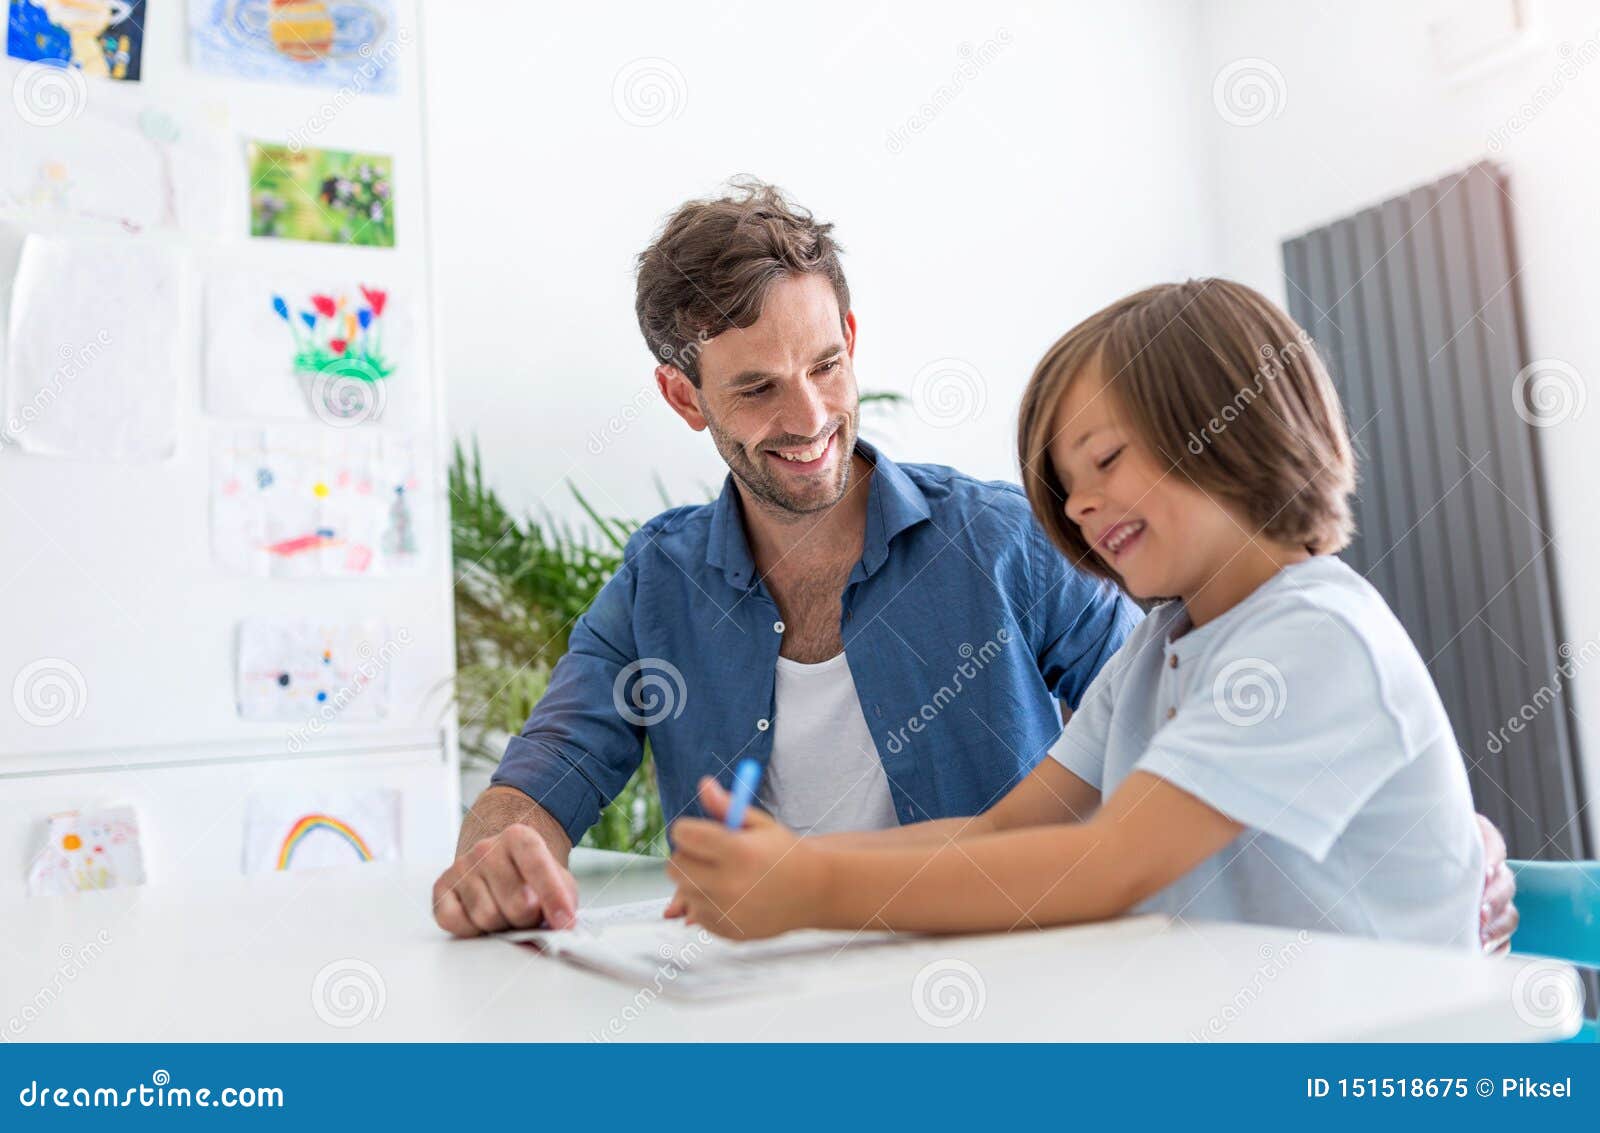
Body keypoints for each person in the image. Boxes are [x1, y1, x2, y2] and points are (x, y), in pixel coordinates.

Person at [432, 184, 1515, 950]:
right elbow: (544, 770)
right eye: (756, 388)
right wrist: (501, 852)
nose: (808, 414)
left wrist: (1427, 823)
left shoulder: (1010, 549)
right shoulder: (658, 584)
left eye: (824, 364)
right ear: (685, 398)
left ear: (852, 337)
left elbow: (1130, 833)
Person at [663, 279, 1501, 951]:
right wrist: (783, 866)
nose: (1084, 505)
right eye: (1067, 485)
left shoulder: (1315, 634)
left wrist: (812, 891)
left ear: (1233, 430)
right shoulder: (1159, 649)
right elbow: (1000, 832)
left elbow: (1106, 865)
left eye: (1105, 460)